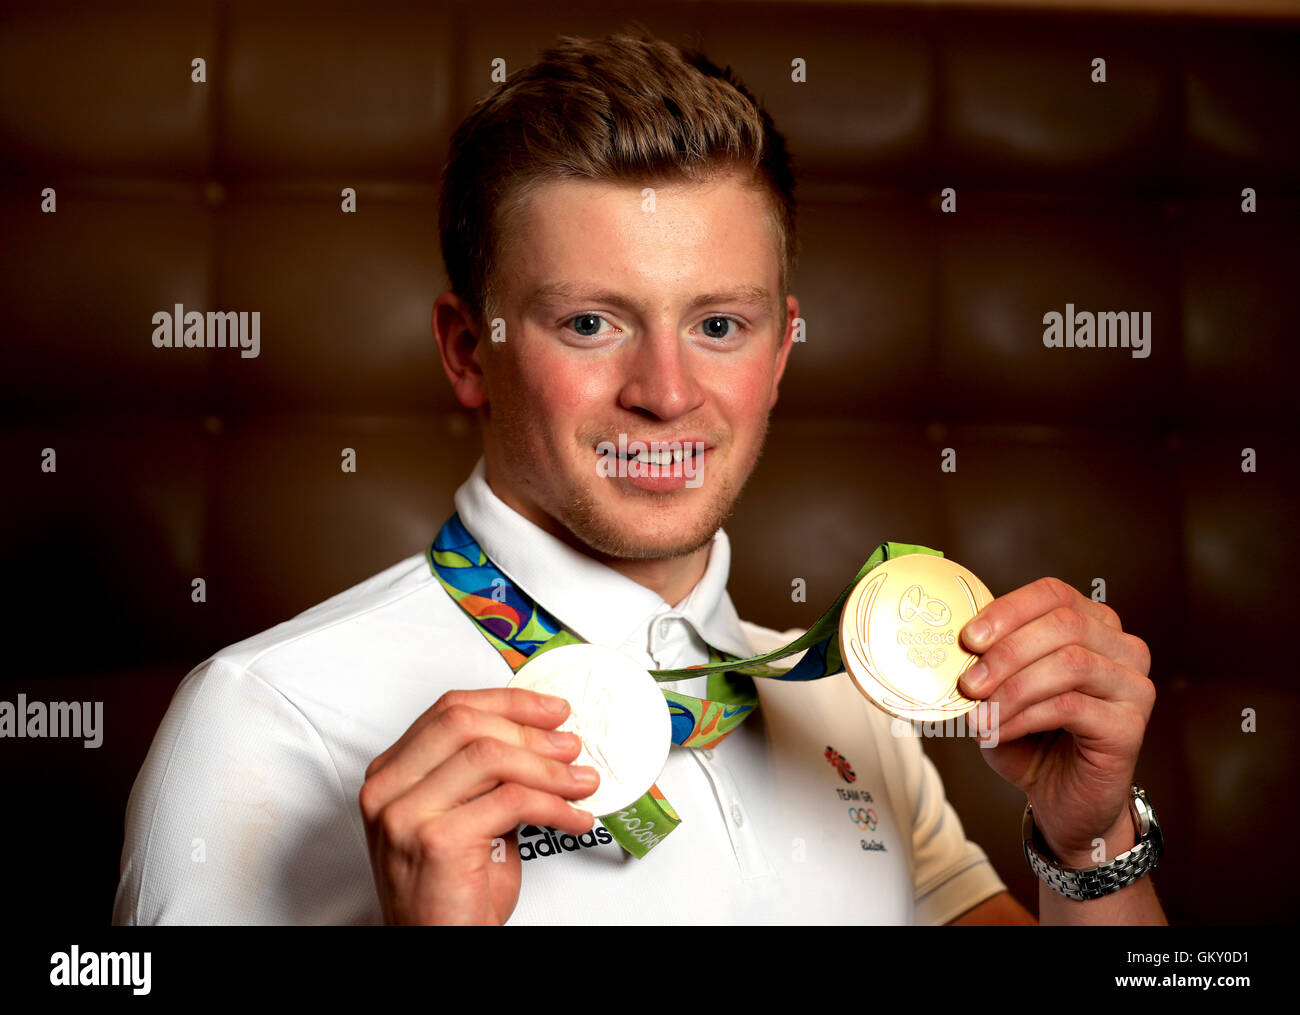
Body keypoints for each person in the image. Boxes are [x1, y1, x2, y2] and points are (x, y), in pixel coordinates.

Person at [113, 31, 1163, 926]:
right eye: (588, 322)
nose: (666, 392)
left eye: (717, 324)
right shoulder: (264, 717)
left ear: (782, 351)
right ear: (466, 350)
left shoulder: (851, 705)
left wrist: (1090, 838)